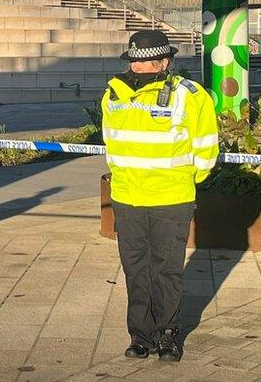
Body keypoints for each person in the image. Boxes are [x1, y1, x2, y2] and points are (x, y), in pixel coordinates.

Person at [101, 30, 219, 362]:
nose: (139, 67)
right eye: (135, 61)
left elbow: (206, 151)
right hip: (127, 198)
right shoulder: (113, 94)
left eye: (146, 61)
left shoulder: (191, 95)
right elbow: (112, 145)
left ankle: (168, 335)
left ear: (164, 62)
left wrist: (184, 180)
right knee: (135, 269)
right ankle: (140, 336)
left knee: (166, 270)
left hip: (171, 198)